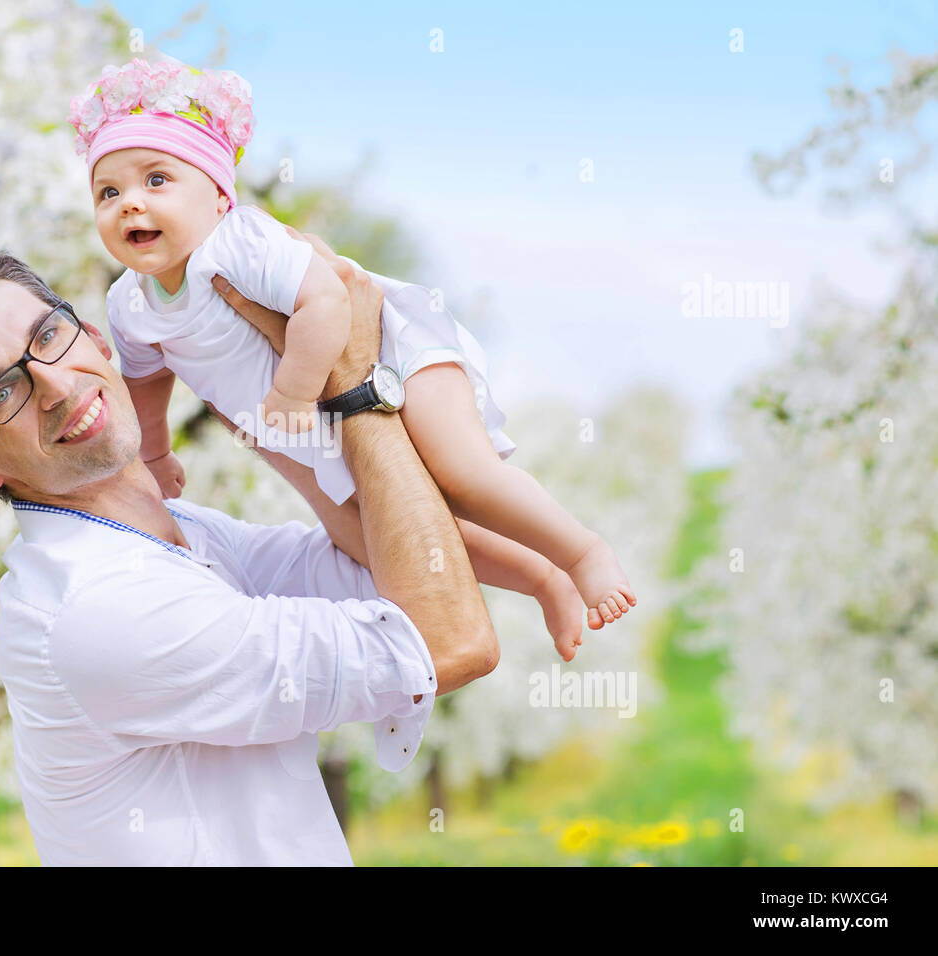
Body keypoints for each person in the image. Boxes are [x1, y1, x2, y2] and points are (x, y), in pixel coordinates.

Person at [0, 234, 498, 865]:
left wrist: (276, 422)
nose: (55, 385)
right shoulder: (99, 608)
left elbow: (404, 573)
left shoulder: (180, 535)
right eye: (2, 393)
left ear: (94, 334)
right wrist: (353, 383)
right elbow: (448, 639)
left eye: (49, 336)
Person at [68, 57, 637, 657]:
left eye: (156, 180)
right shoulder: (130, 303)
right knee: (370, 537)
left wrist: (292, 389)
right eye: (109, 192)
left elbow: (328, 300)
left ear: (217, 197)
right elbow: (145, 380)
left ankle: (581, 551)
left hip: (395, 352)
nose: (130, 203)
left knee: (460, 474)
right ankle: (542, 579)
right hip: (323, 418)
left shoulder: (238, 244)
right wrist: (155, 454)